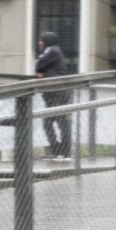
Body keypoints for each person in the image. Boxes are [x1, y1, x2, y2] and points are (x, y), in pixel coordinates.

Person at [34, 31, 71, 159]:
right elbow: (44, 64)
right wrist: (41, 71)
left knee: (57, 122)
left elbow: (40, 62)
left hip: (57, 93)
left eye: (41, 40)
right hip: (53, 93)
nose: (39, 43)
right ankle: (59, 150)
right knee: (53, 122)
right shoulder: (54, 50)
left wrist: (39, 70)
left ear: (47, 41)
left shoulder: (53, 49)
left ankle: (62, 151)